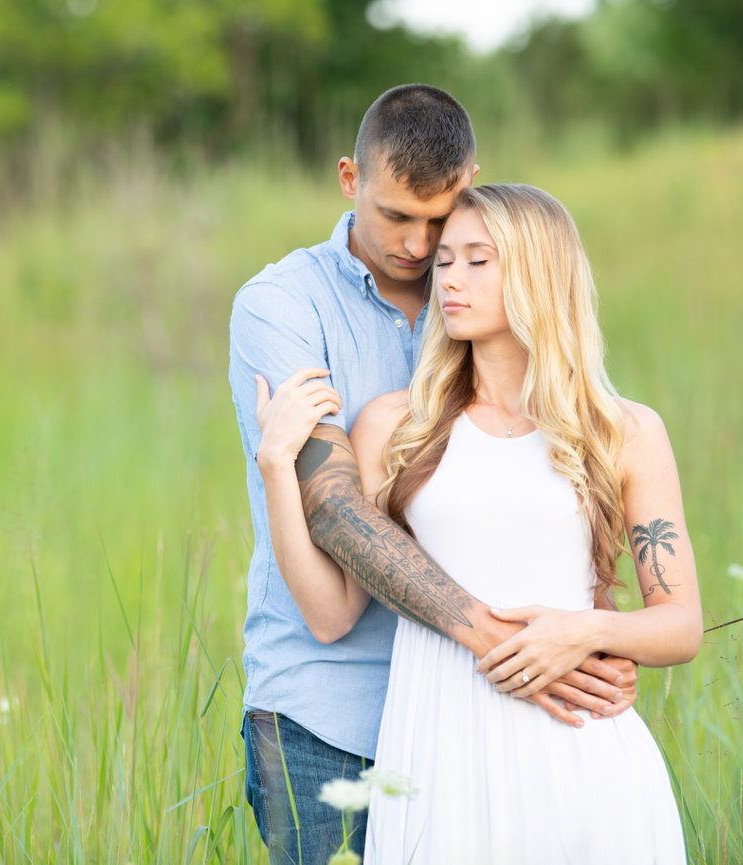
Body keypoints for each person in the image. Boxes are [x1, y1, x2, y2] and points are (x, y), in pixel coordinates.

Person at [229, 85, 639, 864]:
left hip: (480, 714)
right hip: (330, 715)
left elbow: (553, 484)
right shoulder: (280, 306)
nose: (420, 247)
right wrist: (505, 642)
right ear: (350, 181)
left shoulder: (488, 304)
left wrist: (593, 637)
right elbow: (339, 515)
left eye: (438, 219)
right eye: (396, 216)